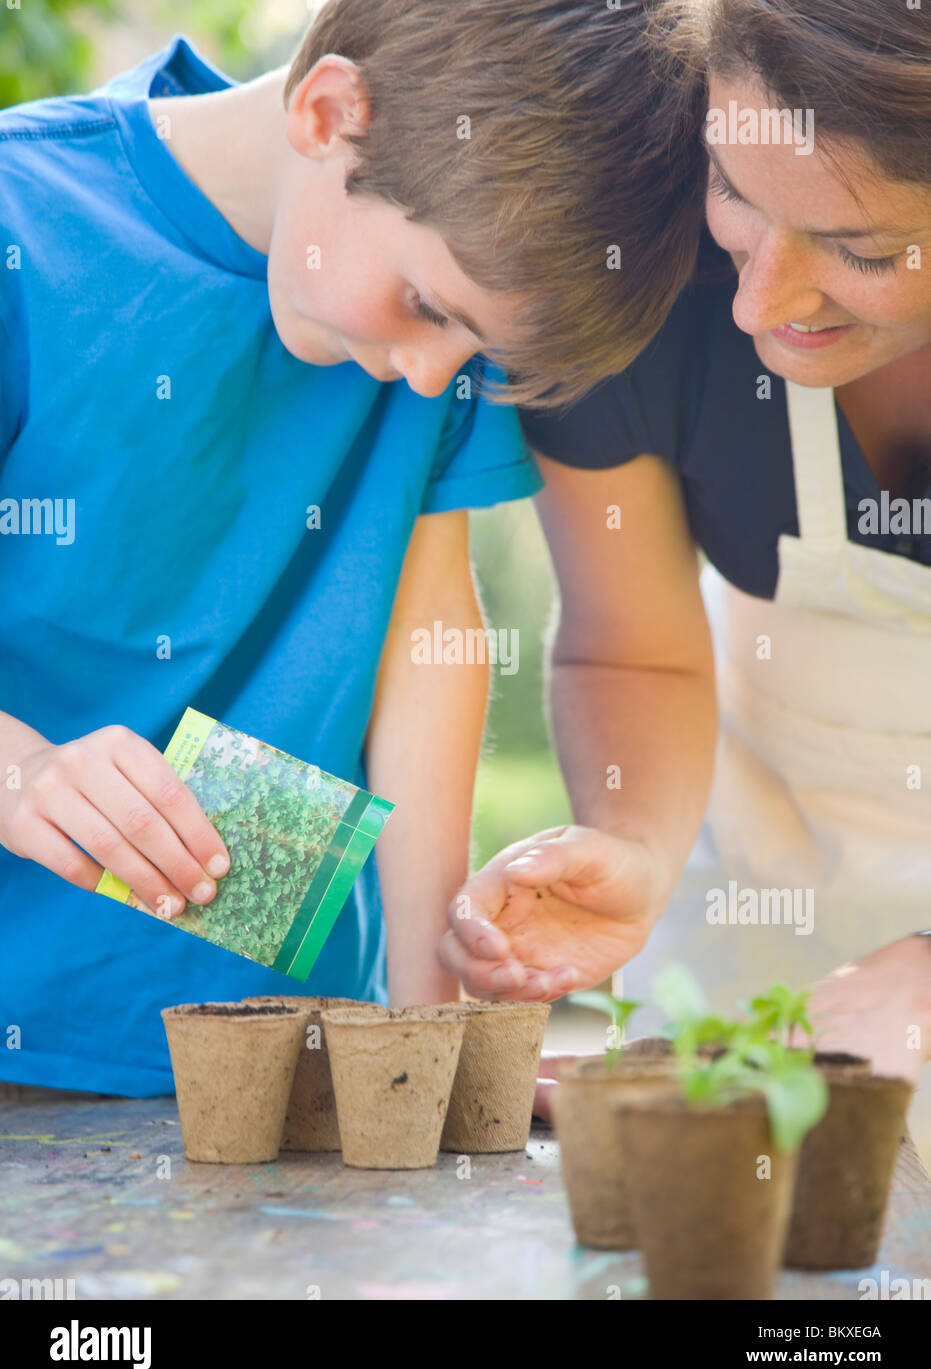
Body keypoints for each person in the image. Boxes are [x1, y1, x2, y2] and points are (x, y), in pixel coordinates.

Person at [0, 2, 705, 1096]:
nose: (433, 376)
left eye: (476, 348)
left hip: (292, 1070)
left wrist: (438, 1031)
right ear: (330, 113)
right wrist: (26, 769)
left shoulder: (425, 311)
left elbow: (427, 643)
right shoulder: (26, 223)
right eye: (427, 307)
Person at [442, 0, 931, 1141]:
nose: (760, 303)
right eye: (736, 197)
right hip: (753, 983)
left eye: (860, 250)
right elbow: (633, 644)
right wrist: (633, 842)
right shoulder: (641, 275)